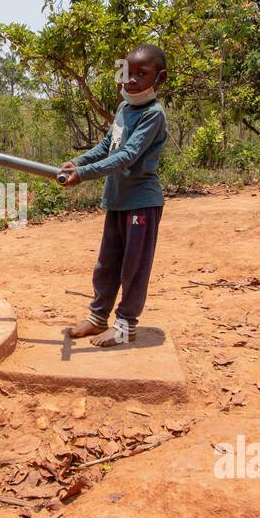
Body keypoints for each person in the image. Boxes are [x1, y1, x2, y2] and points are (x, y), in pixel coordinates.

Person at [59, 44, 169, 347]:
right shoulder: (124, 109)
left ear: (160, 79)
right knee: (107, 263)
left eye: (141, 74)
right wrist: (79, 162)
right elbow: (108, 145)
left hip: (141, 204)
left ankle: (125, 325)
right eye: (128, 73)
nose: (131, 80)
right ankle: (97, 318)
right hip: (117, 200)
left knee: (133, 267)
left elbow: (127, 156)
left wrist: (84, 175)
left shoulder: (152, 115)